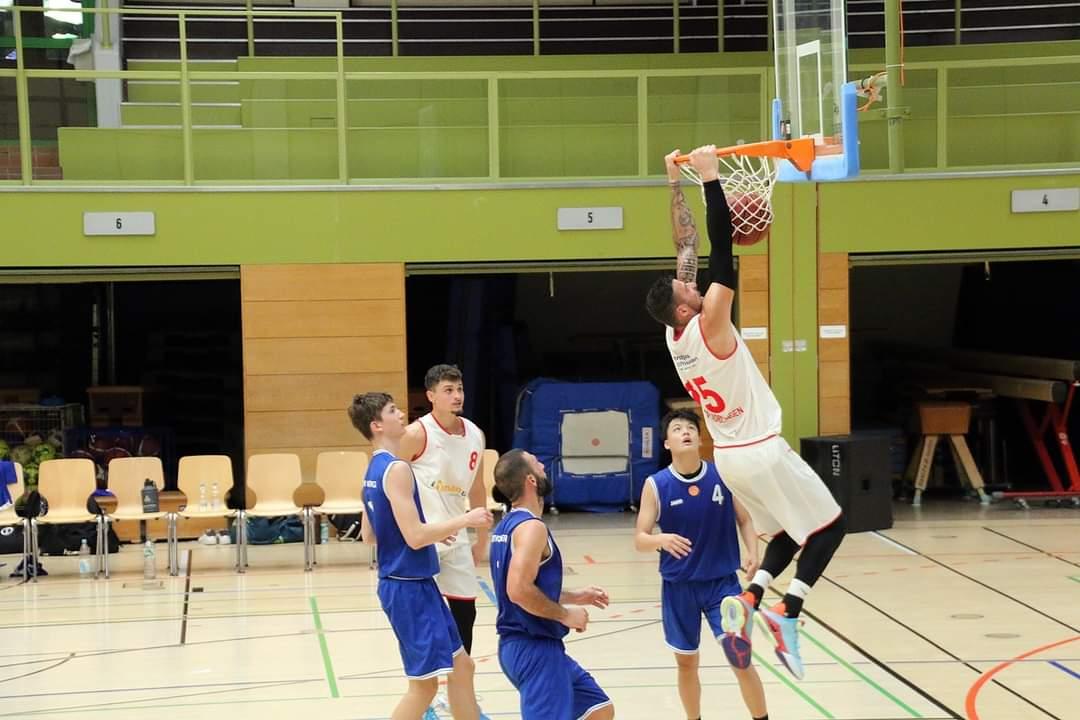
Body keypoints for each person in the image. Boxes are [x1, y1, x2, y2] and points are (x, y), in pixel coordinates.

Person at [643, 145, 846, 680]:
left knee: (783, 533)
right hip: (759, 448)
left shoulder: (675, 332)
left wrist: (672, 180)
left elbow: (685, 244)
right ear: (689, 307)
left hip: (730, 458)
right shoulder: (710, 321)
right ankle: (790, 611)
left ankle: (752, 599)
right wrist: (711, 180)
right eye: (690, 288)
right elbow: (719, 250)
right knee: (831, 527)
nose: (695, 283)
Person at [350, 392, 492, 720]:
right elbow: (414, 537)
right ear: (377, 425)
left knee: (463, 666)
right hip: (407, 588)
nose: (401, 414)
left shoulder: (372, 468)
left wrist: (438, 529)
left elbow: (369, 535)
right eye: (392, 411)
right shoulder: (397, 469)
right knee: (424, 687)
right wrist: (464, 520)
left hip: (415, 583)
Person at [635, 409, 768, 720]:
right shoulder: (656, 485)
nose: (685, 432)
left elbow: (746, 520)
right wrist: (660, 539)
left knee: (740, 658)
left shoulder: (722, 474)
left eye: (691, 428)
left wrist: (753, 552)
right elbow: (640, 537)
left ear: (699, 437)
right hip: (679, 588)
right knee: (686, 662)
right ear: (666, 443)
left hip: (722, 585)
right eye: (677, 428)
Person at [489, 449, 615, 720]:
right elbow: (518, 590)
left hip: (527, 645)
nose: (543, 466)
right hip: (534, 647)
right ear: (531, 480)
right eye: (537, 464)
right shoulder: (532, 528)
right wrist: (566, 614)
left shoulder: (506, 526)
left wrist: (574, 596)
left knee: (598, 710)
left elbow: (530, 586)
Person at [399, 364, 488, 657]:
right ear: (431, 395)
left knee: (466, 611)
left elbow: (477, 489)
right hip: (427, 536)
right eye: (448, 390)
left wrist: (482, 539)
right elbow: (391, 481)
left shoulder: (475, 434)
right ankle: (426, 687)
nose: (457, 396)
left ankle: (459, 684)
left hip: (458, 533)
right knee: (424, 616)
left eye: (459, 389)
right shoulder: (416, 433)